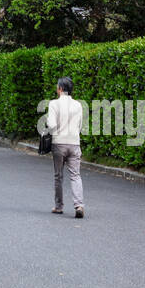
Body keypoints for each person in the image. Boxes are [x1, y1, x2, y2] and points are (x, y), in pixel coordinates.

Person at [46, 76, 85, 218]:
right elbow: (80, 126)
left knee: (58, 176)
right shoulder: (78, 105)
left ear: (60, 89)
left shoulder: (54, 104)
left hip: (59, 143)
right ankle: (79, 205)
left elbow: (51, 125)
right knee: (75, 175)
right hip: (74, 143)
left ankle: (59, 206)